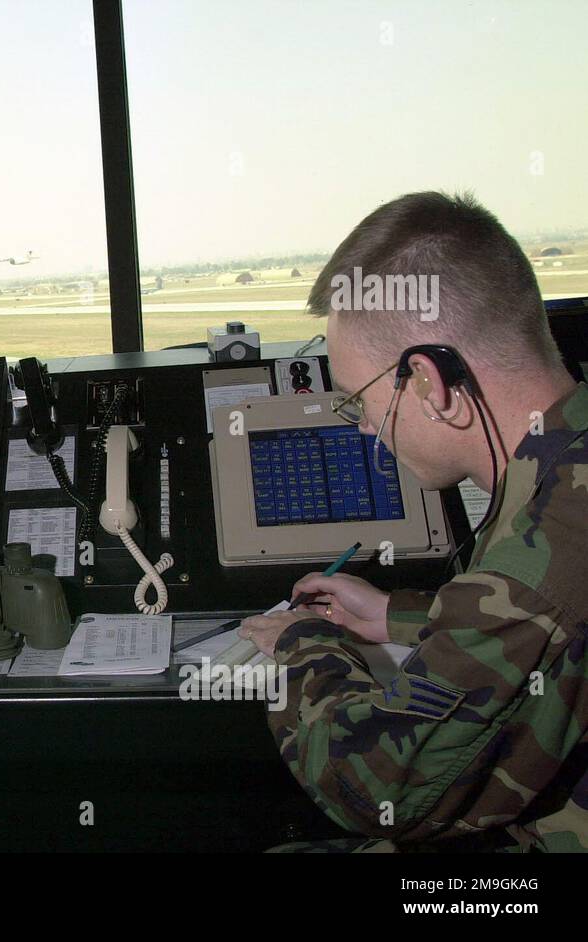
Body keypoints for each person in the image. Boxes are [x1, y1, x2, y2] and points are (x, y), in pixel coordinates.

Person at [240, 191, 588, 852]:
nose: (366, 428)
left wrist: (305, 641)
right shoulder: (565, 468)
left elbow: (376, 786)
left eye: (360, 403)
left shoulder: (551, 546)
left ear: (427, 381)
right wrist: (396, 618)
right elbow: (539, 634)